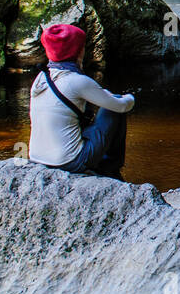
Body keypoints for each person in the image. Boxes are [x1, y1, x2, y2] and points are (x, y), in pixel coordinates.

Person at [28, 23, 135, 179]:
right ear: (78, 51)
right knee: (115, 104)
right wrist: (131, 97)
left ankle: (106, 167)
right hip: (70, 162)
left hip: (37, 159)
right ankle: (110, 168)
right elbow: (121, 106)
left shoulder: (41, 78)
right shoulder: (77, 80)